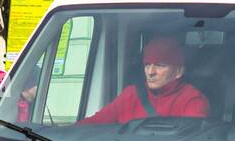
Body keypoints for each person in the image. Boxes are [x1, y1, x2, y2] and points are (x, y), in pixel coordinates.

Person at [79, 36, 209, 124]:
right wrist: (62, 136)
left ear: (178, 72)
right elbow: (95, 123)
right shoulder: (131, 94)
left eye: (160, 65)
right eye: (147, 65)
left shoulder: (192, 100)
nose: (150, 72)